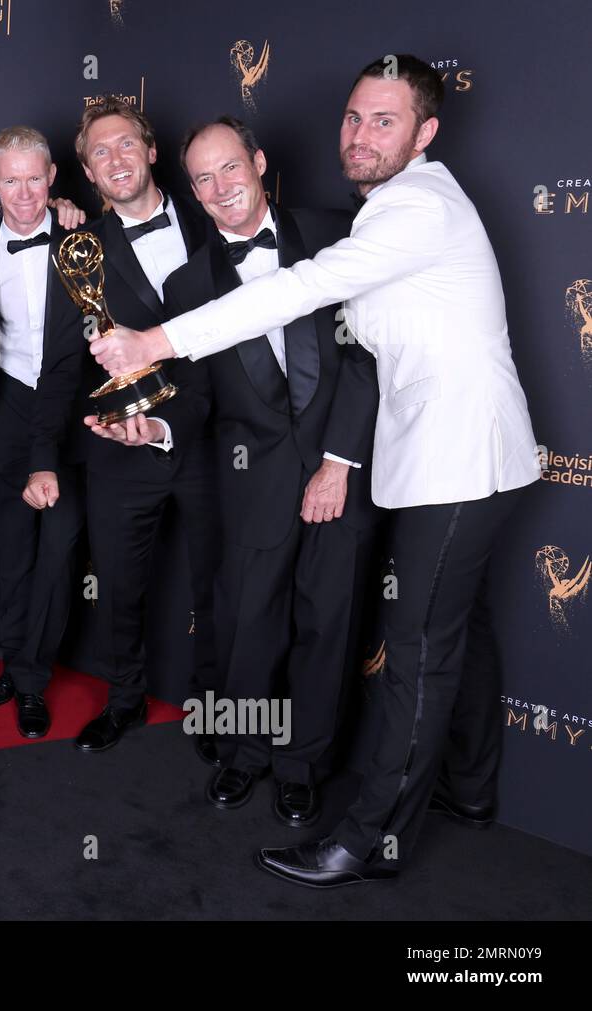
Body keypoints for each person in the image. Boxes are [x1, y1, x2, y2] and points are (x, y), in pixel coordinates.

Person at [92, 56, 541, 885]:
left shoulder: (398, 211)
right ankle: (467, 788)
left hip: (450, 458)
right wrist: (152, 421)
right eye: (353, 117)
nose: (361, 134)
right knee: (449, 633)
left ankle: (365, 840)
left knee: (412, 651)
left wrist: (152, 341)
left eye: (384, 120)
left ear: (426, 133)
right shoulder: (389, 209)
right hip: (376, 469)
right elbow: (207, 393)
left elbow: (306, 291)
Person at [160, 117, 379, 826]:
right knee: (248, 628)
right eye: (203, 178)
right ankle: (244, 753)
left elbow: (368, 356)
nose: (220, 187)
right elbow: (195, 397)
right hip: (251, 481)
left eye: (230, 167)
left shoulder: (337, 233)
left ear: (258, 162)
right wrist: (156, 426)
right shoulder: (185, 283)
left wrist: (338, 462)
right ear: (193, 192)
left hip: (341, 469)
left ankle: (301, 765)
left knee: (327, 627)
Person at [60, 98, 220, 754]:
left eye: (127, 143)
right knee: (120, 590)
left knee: (219, 586)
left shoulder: (216, 222)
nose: (116, 159)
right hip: (122, 449)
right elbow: (64, 359)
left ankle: (216, 711)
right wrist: (94, 426)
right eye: (100, 151)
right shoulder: (77, 250)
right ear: (87, 172)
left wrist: (169, 423)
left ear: (152, 152)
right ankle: (123, 699)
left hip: (214, 443)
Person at [0, 125, 86, 739]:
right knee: (12, 546)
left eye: (36, 179)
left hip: (73, 410)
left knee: (57, 547)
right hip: (8, 405)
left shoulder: (84, 238)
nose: (26, 193)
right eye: (12, 181)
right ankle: (14, 664)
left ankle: (32, 680)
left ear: (53, 177)